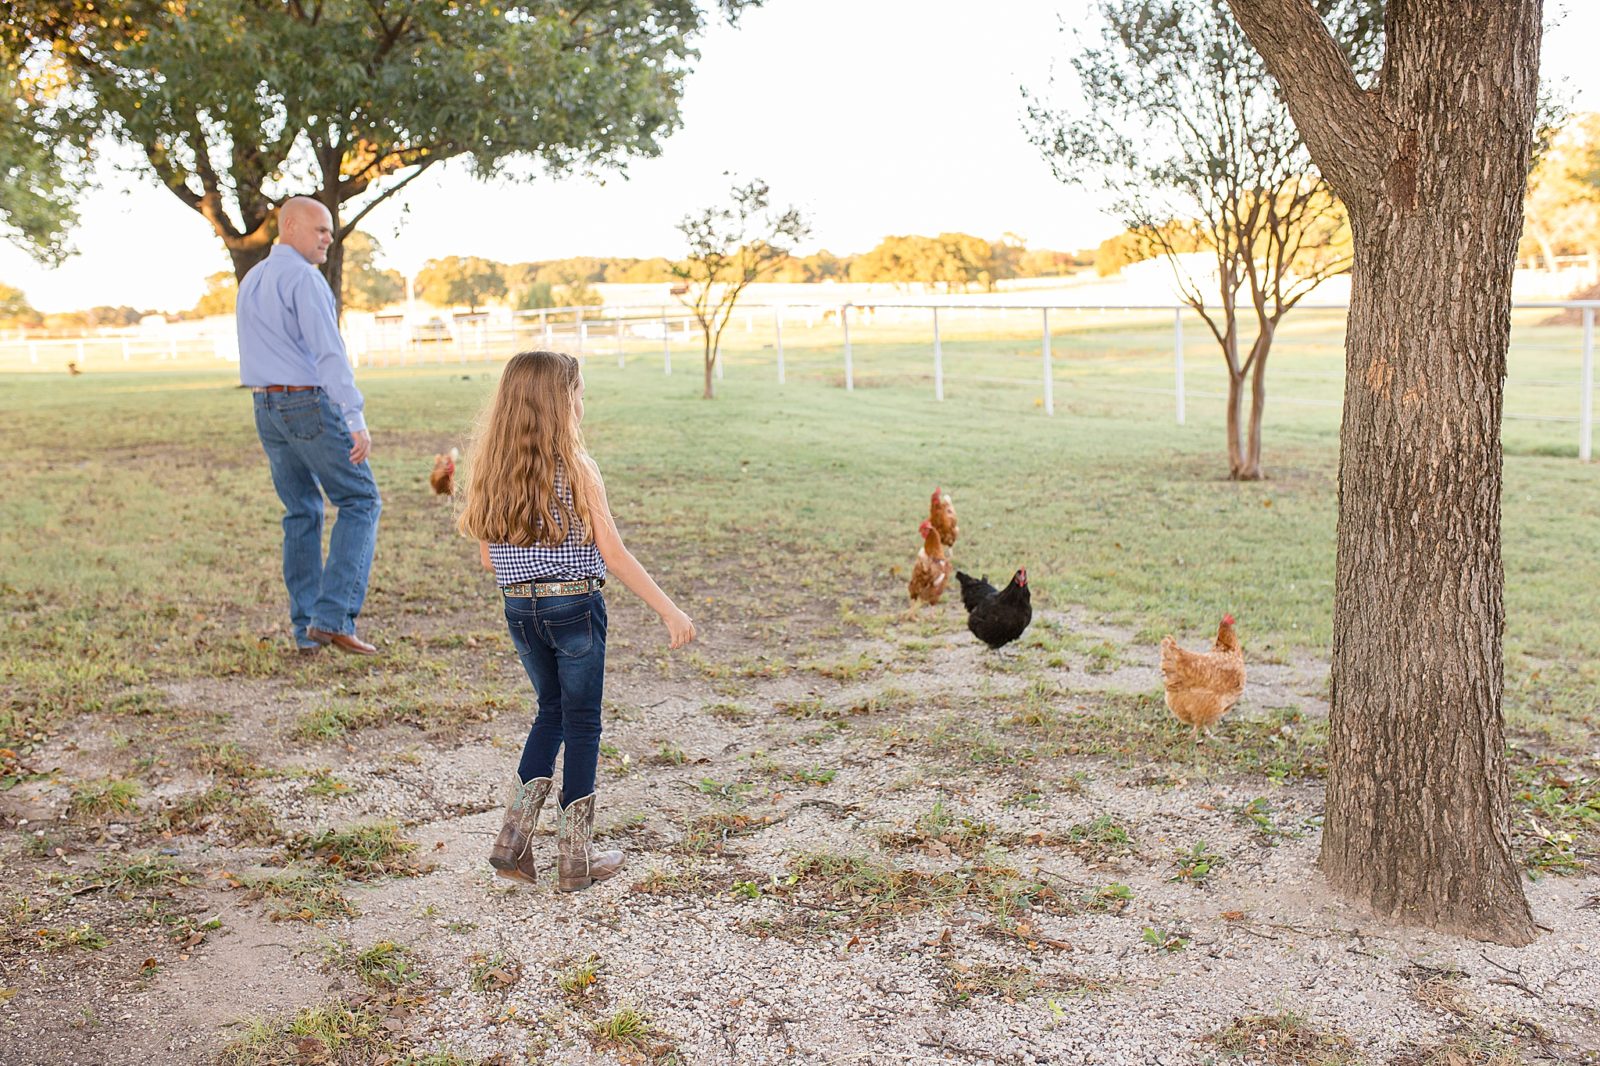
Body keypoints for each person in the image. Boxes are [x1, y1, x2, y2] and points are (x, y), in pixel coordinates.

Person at [456, 350, 695, 892]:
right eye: (579, 392)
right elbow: (614, 554)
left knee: (550, 713)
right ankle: (575, 858)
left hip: (519, 608)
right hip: (574, 607)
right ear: (560, 402)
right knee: (582, 722)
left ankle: (512, 843)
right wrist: (669, 610)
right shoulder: (579, 471)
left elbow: (490, 559)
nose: (584, 401)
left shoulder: (492, 471)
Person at [236, 197, 383, 656]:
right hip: (305, 404)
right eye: (320, 229)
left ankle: (306, 629)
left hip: (266, 407)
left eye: (329, 231)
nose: (328, 238)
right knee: (360, 499)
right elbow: (328, 352)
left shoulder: (253, 278)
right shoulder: (303, 278)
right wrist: (354, 415)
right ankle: (333, 617)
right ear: (292, 227)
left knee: (301, 511)